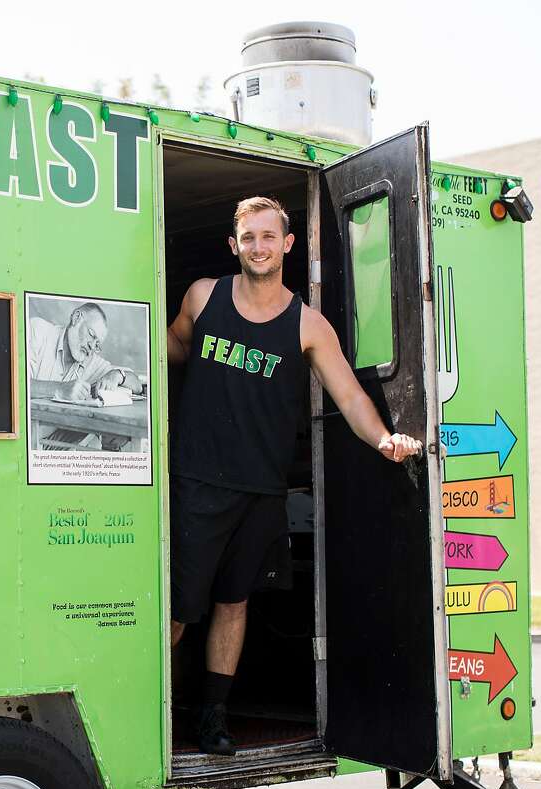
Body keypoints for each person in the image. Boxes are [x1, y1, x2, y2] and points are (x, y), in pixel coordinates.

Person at [167, 196, 422, 756]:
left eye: (268, 236)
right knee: (180, 610)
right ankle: (147, 713)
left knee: (234, 602)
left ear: (287, 244)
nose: (258, 246)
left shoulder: (308, 324)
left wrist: (384, 439)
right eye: (248, 237)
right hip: (196, 482)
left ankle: (213, 717)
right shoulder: (204, 297)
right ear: (234, 246)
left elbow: (350, 397)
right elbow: (175, 344)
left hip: (262, 489)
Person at [27, 301, 143, 401]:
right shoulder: (36, 330)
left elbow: (137, 386)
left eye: (97, 344)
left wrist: (118, 375)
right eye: (91, 334)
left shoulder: (91, 360)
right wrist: (60, 389)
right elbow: (18, 383)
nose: (92, 346)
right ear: (76, 318)